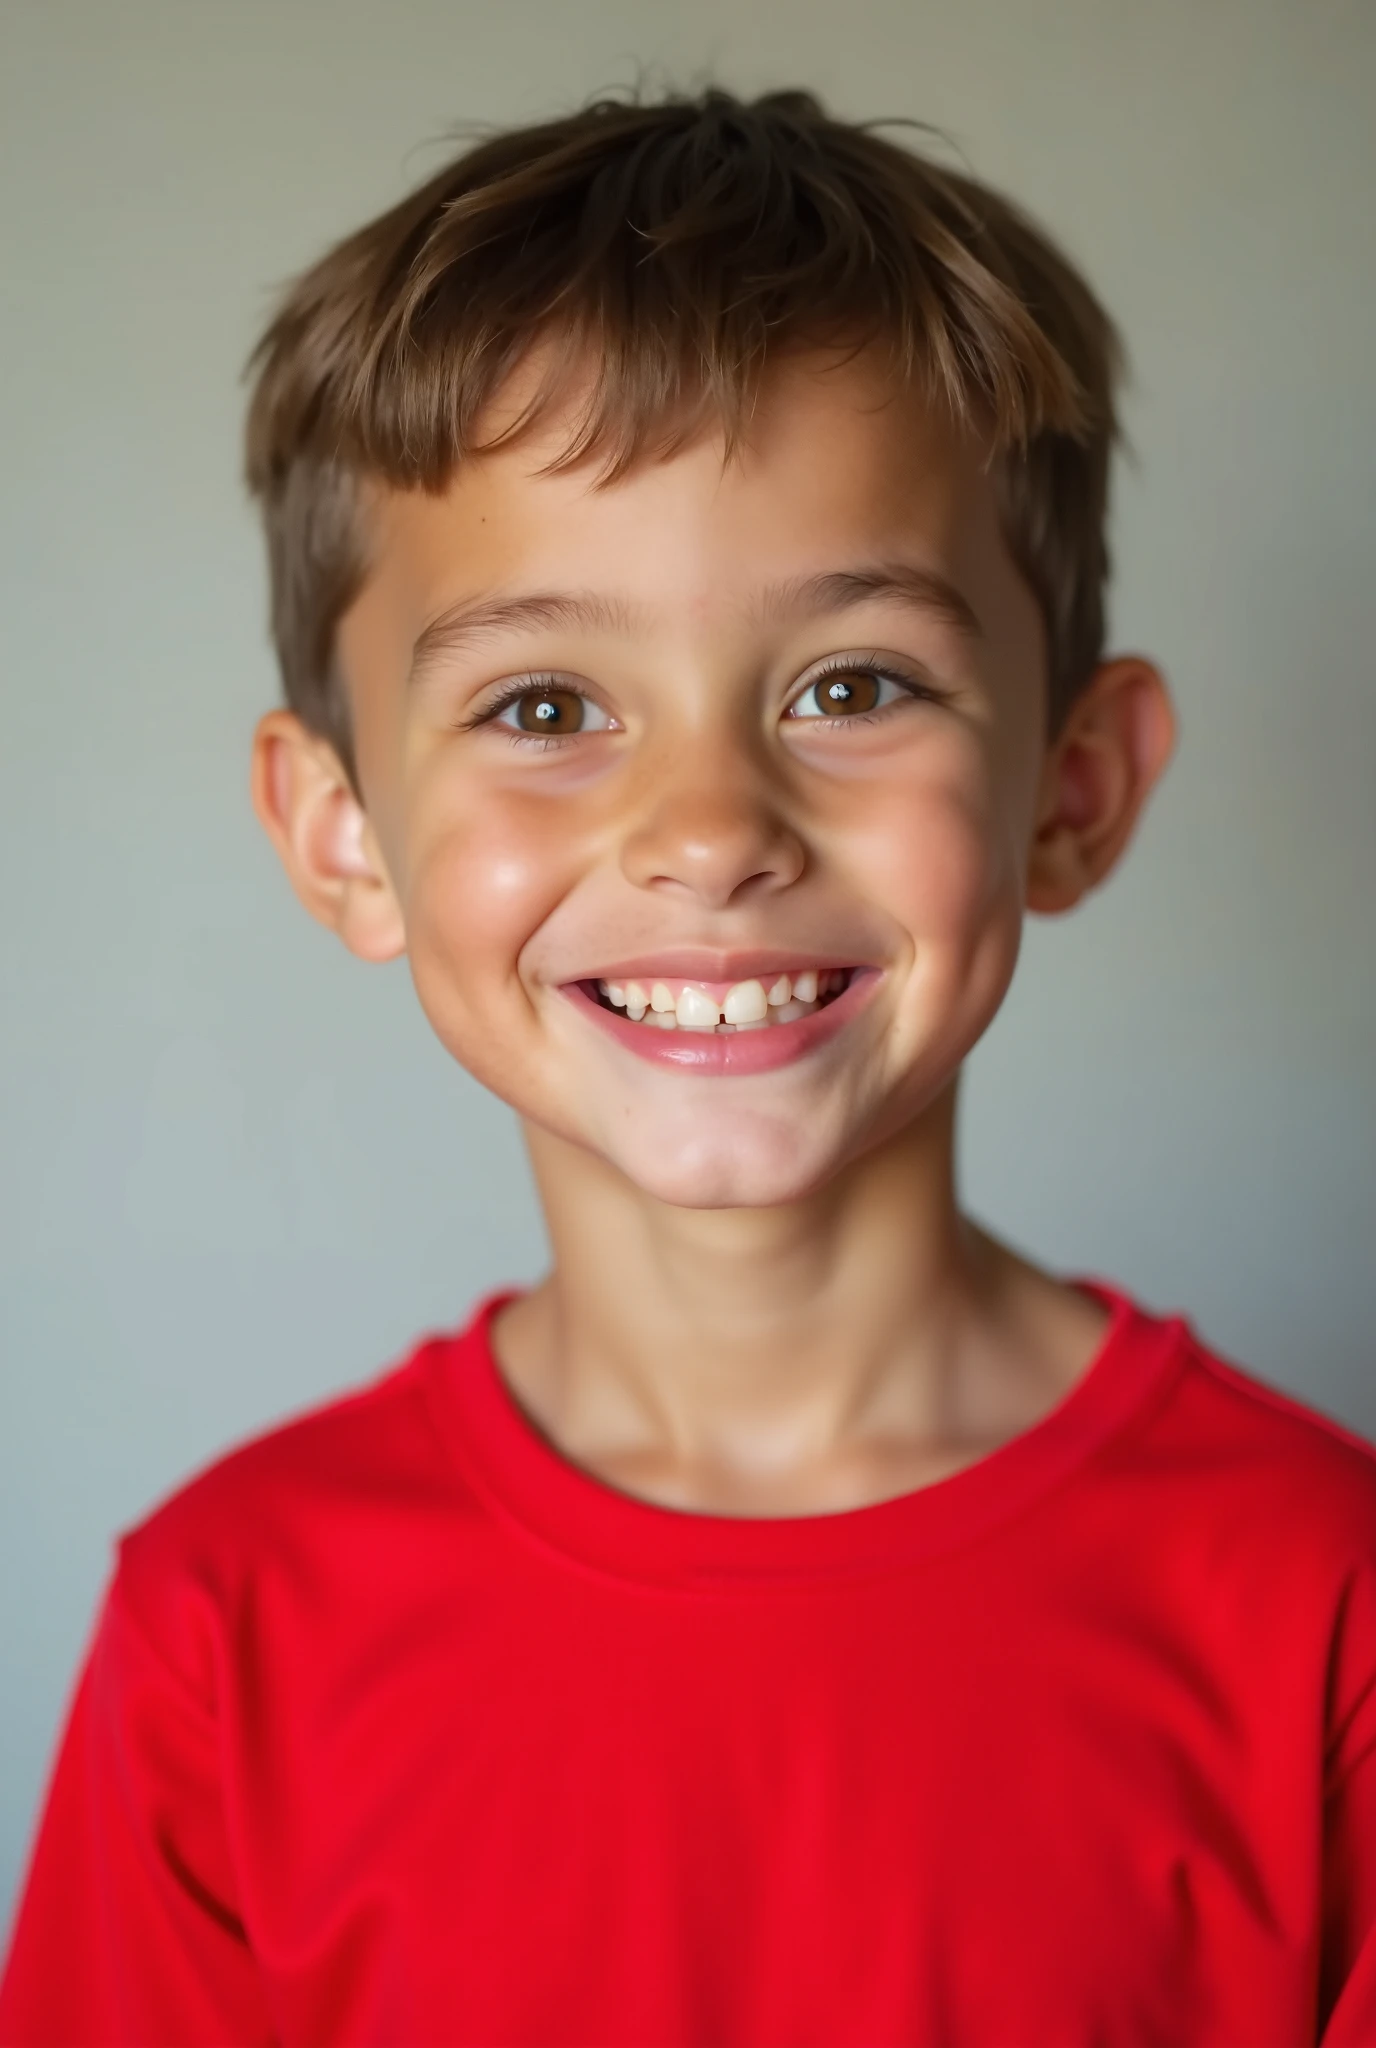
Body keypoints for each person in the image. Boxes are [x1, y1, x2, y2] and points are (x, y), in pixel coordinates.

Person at [2, 83, 1374, 2048]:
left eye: (853, 685)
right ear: (342, 836)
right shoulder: (224, 1636)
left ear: (1069, 790)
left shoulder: (1329, 1609)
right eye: (544, 705)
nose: (711, 831)